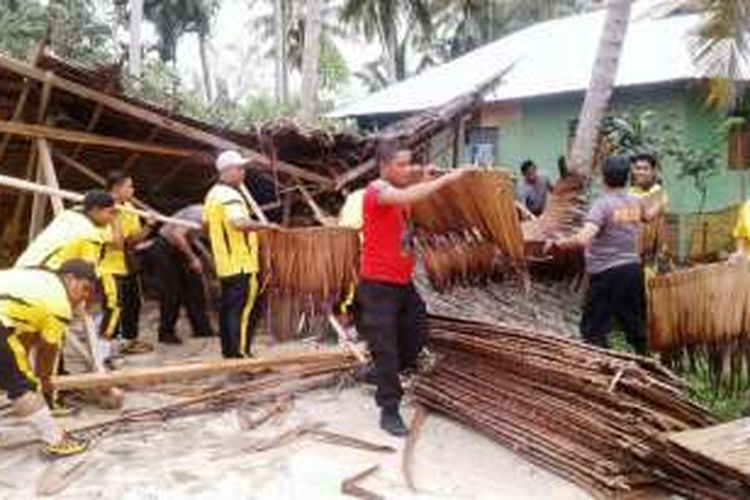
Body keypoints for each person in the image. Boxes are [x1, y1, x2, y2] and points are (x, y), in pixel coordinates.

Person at [355, 138, 467, 437]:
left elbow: (410, 185)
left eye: (409, 163)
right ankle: (389, 410)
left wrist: (422, 173)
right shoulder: (376, 191)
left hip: (402, 284)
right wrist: (446, 179)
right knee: (387, 349)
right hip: (378, 286)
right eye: (400, 164)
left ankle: (378, 372)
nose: (407, 169)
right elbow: (404, 193)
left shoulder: (398, 190)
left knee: (416, 335)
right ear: (383, 167)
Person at [545, 156, 665, 355]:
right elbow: (649, 216)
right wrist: (660, 199)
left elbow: (584, 239)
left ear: (603, 177)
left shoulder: (602, 205)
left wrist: (557, 243)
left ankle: (605, 370)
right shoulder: (635, 202)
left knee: (592, 329)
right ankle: (648, 365)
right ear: (628, 178)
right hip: (633, 271)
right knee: (635, 326)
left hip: (607, 274)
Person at [0, 259, 97, 457]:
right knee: (22, 386)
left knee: (10, 373)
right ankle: (55, 439)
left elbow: (24, 339)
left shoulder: (40, 280)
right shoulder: (59, 303)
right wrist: (42, 388)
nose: (84, 298)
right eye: (85, 288)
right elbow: (47, 350)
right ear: (70, 279)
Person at [204, 150, 273, 359]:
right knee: (244, 311)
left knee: (229, 310)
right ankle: (240, 354)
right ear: (228, 170)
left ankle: (230, 353)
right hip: (241, 263)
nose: (243, 173)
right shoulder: (229, 196)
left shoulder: (212, 194)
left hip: (227, 264)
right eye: (240, 168)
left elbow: (205, 226)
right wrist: (265, 226)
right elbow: (238, 223)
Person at [101, 172, 155, 354]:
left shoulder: (129, 208)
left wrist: (148, 225)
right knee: (113, 307)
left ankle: (129, 341)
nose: (133, 190)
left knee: (133, 305)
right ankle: (105, 349)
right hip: (108, 267)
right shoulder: (101, 207)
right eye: (129, 186)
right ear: (117, 187)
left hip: (127, 265)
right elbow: (116, 243)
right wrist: (114, 217)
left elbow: (132, 240)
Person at [145, 204, 215, 344]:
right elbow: (177, 235)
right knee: (171, 292)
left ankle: (202, 329)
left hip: (180, 248)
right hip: (164, 248)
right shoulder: (199, 213)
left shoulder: (208, 218)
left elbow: (193, 237)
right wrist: (193, 259)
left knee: (195, 288)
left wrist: (208, 260)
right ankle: (166, 333)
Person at [629, 153, 670, 268]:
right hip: (628, 253)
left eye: (645, 169)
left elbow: (648, 216)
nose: (641, 172)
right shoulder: (630, 192)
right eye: (637, 168)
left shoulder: (659, 193)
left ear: (653, 171)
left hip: (651, 253)